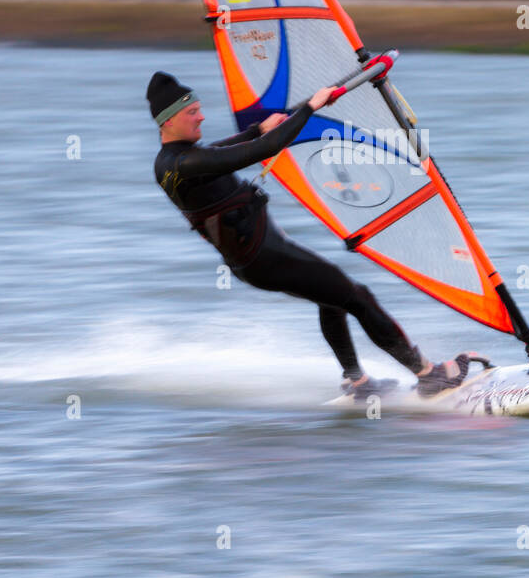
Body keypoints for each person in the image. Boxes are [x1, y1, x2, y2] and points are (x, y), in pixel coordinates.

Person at [147, 71, 472, 398]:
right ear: (168, 122)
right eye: (192, 112)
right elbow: (267, 148)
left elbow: (219, 151)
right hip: (265, 257)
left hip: (259, 256)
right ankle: (429, 375)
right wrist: (311, 107)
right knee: (358, 297)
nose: (201, 115)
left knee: (332, 298)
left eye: (199, 108)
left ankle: (357, 381)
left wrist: (256, 129)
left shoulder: (176, 160)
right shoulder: (182, 165)